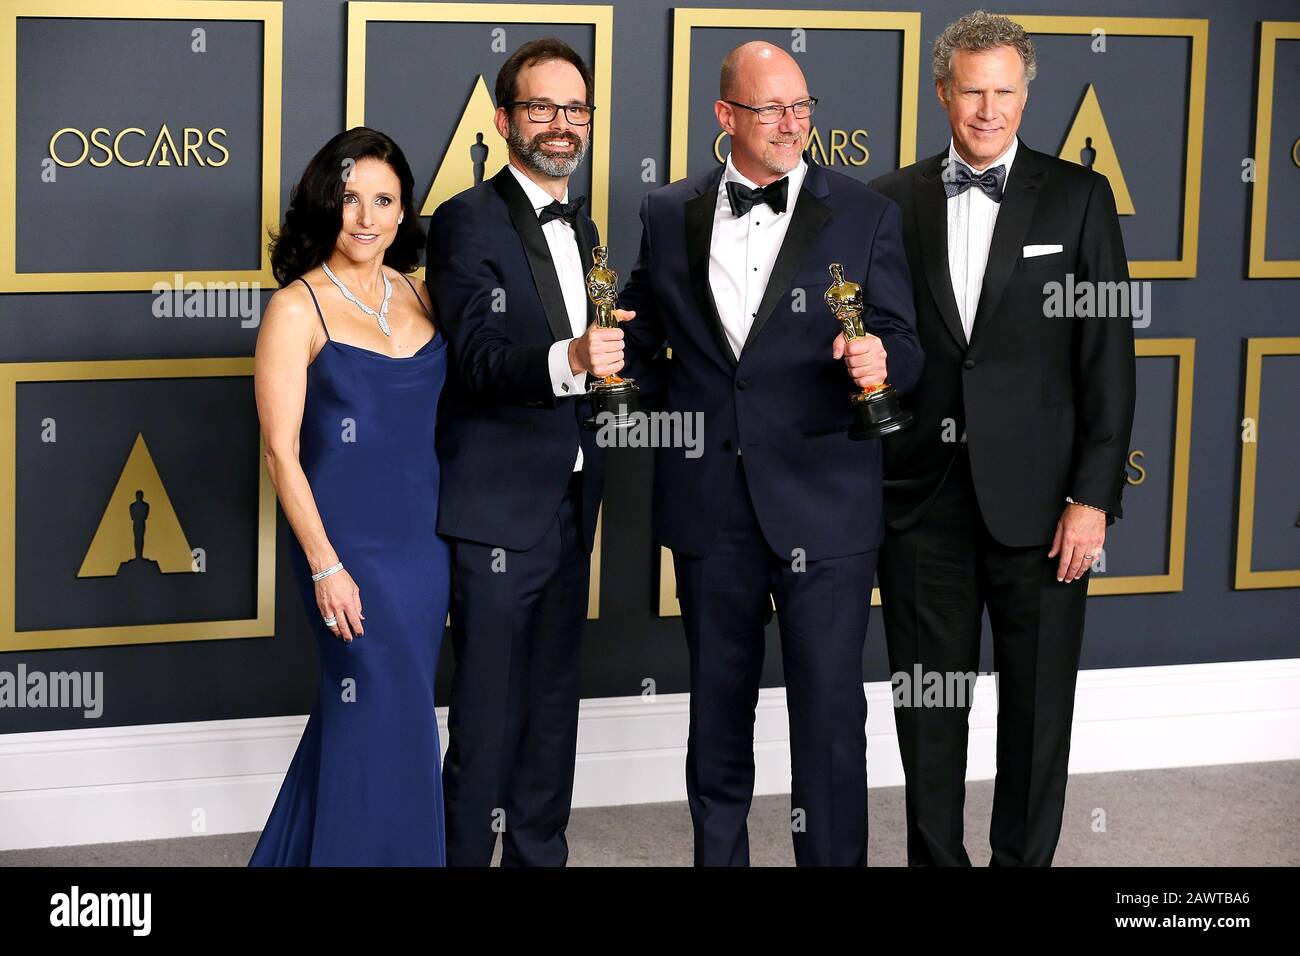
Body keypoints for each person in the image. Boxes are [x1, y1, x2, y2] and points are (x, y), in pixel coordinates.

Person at [618, 41, 922, 866]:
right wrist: (604, 359)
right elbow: (644, 338)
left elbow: (903, 337)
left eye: (801, 107)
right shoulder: (665, 210)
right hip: (712, 499)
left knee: (829, 715)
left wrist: (883, 359)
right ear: (725, 117)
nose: (792, 125)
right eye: (770, 110)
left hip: (825, 500)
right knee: (716, 714)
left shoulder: (865, 211)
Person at [869, 11, 1136, 866]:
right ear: (943, 91)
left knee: (1036, 713)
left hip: (1046, 507)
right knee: (929, 717)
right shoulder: (889, 201)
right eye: (973, 91)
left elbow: (1109, 364)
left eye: (1006, 92)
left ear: (1026, 94)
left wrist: (1093, 498)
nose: (989, 110)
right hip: (924, 507)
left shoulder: (1078, 196)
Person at [427, 38, 626, 866]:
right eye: (541, 107)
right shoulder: (467, 219)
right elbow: (475, 361)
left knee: (551, 710)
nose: (561, 124)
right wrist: (572, 359)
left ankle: (542, 855)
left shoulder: (585, 223)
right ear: (505, 120)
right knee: (488, 714)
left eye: (574, 109)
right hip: (496, 511)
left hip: (572, 502)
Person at [249, 127, 448, 866]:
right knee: (380, 714)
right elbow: (280, 452)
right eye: (348, 199)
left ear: (403, 214)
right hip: (345, 551)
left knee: (370, 722)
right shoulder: (295, 310)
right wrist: (326, 564)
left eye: (383, 200)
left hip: (424, 550)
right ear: (322, 206)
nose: (365, 217)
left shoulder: (422, 293)